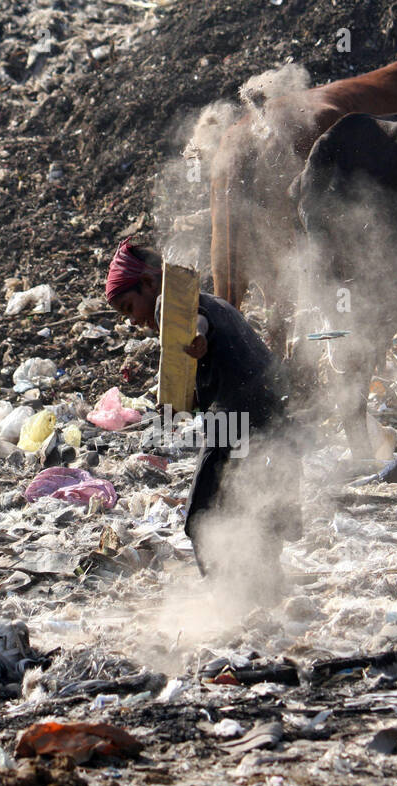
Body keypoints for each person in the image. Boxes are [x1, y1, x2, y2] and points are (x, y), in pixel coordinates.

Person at [105, 238, 301, 600]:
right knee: (256, 512)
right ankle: (269, 599)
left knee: (202, 520)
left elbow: (194, 325)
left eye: (129, 307)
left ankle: (225, 603)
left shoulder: (170, 306)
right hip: (273, 418)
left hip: (237, 423)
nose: (133, 320)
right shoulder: (215, 302)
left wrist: (196, 336)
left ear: (148, 284)